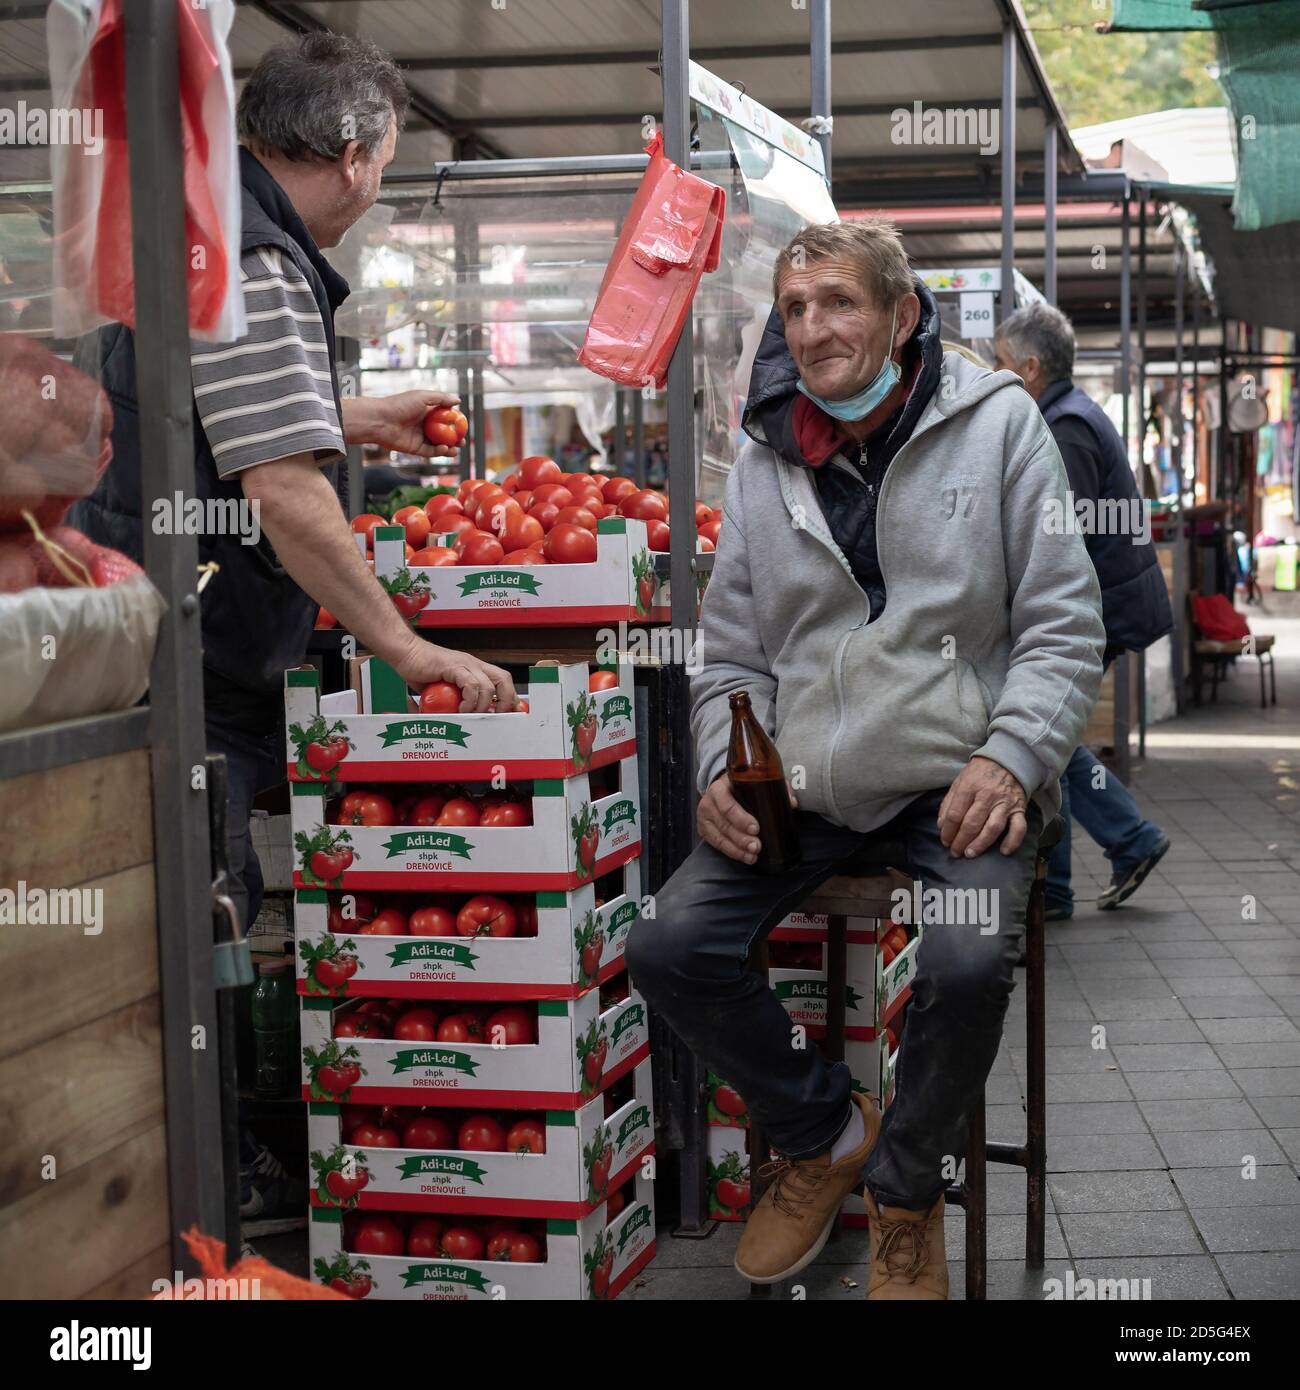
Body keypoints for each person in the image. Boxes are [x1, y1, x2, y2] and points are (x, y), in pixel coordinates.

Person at [72, 34, 516, 1224]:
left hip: (147, 643)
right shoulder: (259, 259)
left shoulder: (209, 223)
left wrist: (353, 415)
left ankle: (197, 1183)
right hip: (187, 672)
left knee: (173, 936)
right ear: (360, 156)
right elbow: (282, 494)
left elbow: (215, 410)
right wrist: (408, 648)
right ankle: (204, 1200)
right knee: (199, 939)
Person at [625, 219, 1105, 1300]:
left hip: (959, 781)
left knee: (967, 961)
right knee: (665, 944)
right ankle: (823, 1126)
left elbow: (1064, 624)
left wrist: (1014, 752)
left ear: (901, 315)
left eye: (838, 302)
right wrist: (719, 769)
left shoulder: (999, 431)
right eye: (795, 310)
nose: (813, 328)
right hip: (806, 785)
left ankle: (904, 1189)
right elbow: (736, 652)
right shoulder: (762, 458)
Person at [994, 304, 1172, 917]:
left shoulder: (1063, 429)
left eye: (1002, 364)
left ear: (1032, 368)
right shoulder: (1067, 413)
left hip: (1102, 607)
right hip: (1108, 601)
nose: (996, 376)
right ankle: (1074, 877)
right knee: (1055, 738)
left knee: (1051, 735)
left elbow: (1054, 544)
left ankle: (1119, 847)